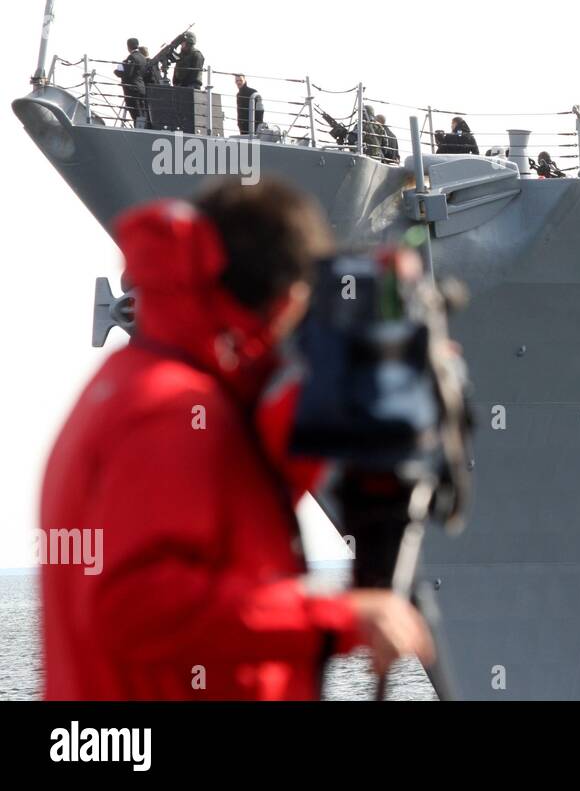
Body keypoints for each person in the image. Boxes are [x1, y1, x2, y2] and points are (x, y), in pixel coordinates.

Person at [40, 178, 436, 700]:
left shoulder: (150, 387)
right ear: (289, 298)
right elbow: (133, 605)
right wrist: (333, 618)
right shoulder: (174, 410)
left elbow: (221, 528)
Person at [113, 38, 149, 127]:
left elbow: (128, 73)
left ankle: (140, 131)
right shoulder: (143, 58)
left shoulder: (132, 57)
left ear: (128, 47)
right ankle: (143, 128)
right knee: (142, 112)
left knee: (135, 113)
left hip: (133, 89)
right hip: (141, 87)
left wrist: (117, 71)